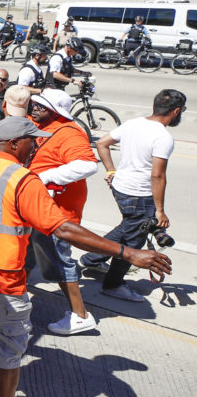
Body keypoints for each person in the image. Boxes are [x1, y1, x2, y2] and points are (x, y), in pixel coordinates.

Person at [0, 118, 171, 397]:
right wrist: (127, 253)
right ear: (14, 144)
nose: (36, 146)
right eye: (31, 141)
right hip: (0, 283)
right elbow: (62, 228)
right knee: (10, 351)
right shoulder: (22, 179)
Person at [78, 89, 185, 302]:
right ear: (176, 111)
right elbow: (157, 175)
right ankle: (113, 284)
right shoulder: (163, 137)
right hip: (140, 194)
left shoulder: (133, 123)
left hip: (121, 188)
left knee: (128, 228)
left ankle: (91, 258)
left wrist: (110, 171)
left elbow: (102, 143)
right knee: (134, 242)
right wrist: (160, 211)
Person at [25, 90, 98, 334]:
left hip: (57, 210)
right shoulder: (40, 124)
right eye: (34, 104)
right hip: (37, 205)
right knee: (26, 254)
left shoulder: (69, 132)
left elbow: (88, 165)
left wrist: (45, 177)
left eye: (41, 107)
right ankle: (16, 300)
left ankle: (81, 315)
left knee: (59, 259)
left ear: (56, 111)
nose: (35, 108)